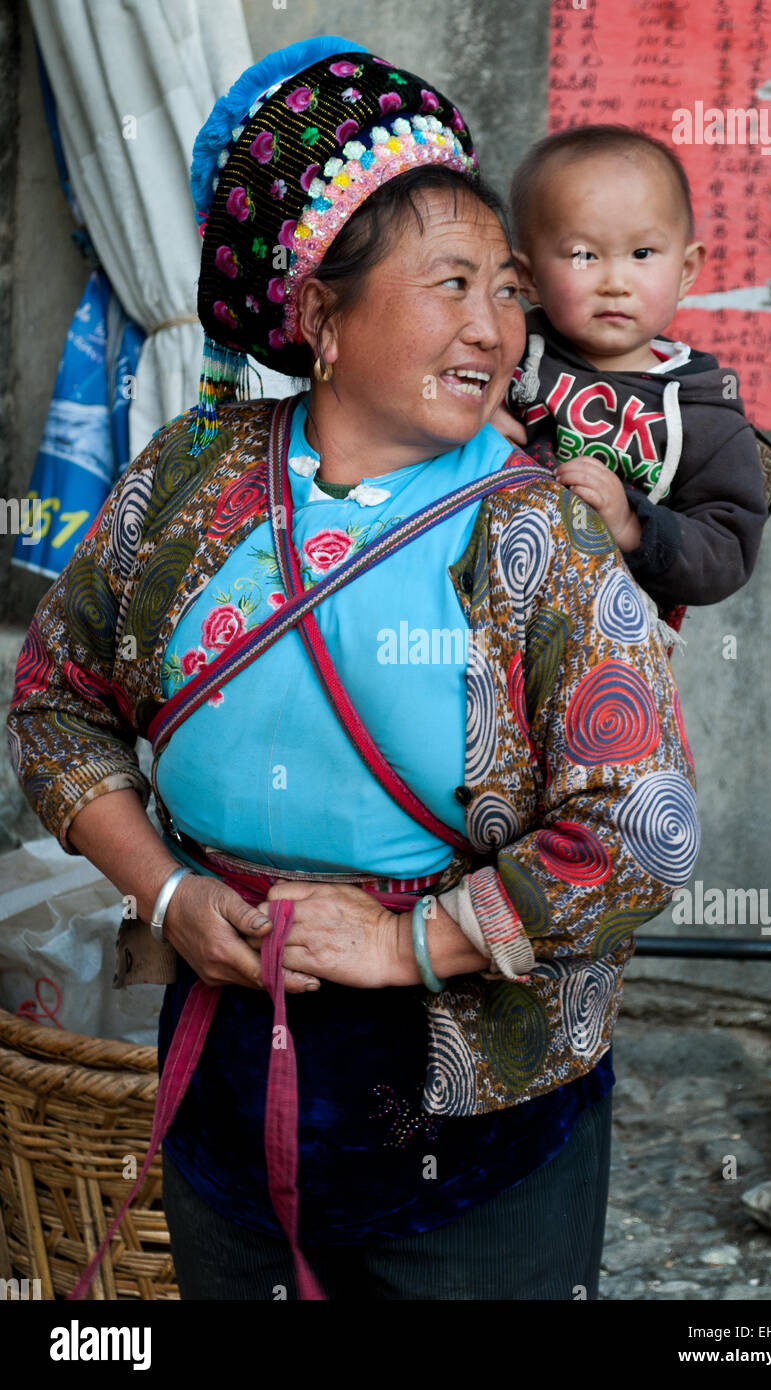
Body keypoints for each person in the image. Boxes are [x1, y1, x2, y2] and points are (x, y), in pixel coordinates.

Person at [6, 40, 699, 1301]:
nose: (494, 326)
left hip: (481, 1109)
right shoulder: (187, 481)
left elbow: (642, 828)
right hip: (229, 1083)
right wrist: (165, 897)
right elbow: (57, 706)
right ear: (321, 316)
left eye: (503, 285)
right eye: (447, 285)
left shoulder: (533, 532)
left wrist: (410, 942)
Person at [495, 125, 768, 614]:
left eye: (642, 254)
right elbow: (415, 401)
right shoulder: (505, 348)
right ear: (530, 277)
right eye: (584, 255)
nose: (616, 282)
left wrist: (632, 525)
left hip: (610, 642)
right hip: (479, 608)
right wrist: (471, 418)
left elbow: (728, 550)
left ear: (686, 270)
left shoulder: (704, 411)